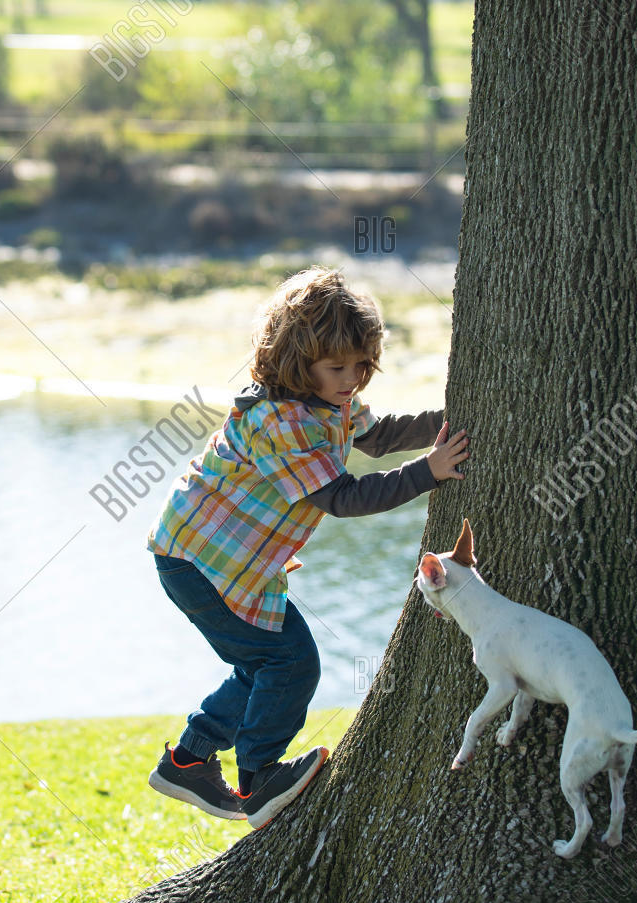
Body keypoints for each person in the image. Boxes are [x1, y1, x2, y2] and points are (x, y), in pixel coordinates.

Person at [146, 266, 470, 829]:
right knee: (291, 661)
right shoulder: (282, 420)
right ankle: (258, 777)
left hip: (226, 562)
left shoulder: (330, 401)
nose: (352, 379)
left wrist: (447, 421)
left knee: (262, 664)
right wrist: (428, 472)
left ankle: (189, 761)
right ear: (298, 361)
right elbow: (342, 497)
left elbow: (377, 437)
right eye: (337, 367)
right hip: (202, 561)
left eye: (361, 366)